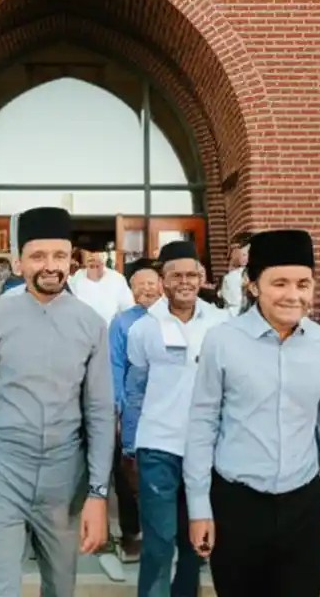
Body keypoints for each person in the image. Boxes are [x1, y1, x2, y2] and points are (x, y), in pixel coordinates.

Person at [184, 229, 320, 597]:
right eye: (280, 283)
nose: (293, 295)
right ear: (253, 286)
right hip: (237, 504)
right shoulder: (223, 341)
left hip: (303, 505)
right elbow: (202, 425)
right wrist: (199, 508)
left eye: (303, 284)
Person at [0, 206, 114, 597]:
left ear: (71, 260)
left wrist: (97, 494)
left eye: (60, 255)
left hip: (64, 477)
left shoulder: (91, 323)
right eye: (38, 256)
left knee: (60, 588)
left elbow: (100, 413)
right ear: (19, 262)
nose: (50, 266)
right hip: (2, 470)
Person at [122, 240, 229, 597]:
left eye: (191, 275)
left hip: (207, 448)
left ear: (202, 277)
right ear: (163, 281)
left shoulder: (221, 323)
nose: (185, 282)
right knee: (159, 540)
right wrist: (130, 445)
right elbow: (135, 391)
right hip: (158, 446)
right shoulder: (144, 328)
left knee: (194, 540)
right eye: (176, 276)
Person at [106, 258, 163, 563]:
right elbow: (114, 365)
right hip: (133, 408)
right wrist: (116, 408)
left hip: (168, 408)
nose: (146, 289)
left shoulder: (173, 318)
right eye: (139, 285)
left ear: (162, 285)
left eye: (151, 283)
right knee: (128, 471)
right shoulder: (122, 322)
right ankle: (132, 534)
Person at [69, 248, 135, 323]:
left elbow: (129, 311)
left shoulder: (117, 279)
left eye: (97, 251)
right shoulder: (73, 280)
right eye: (88, 250)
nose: (93, 255)